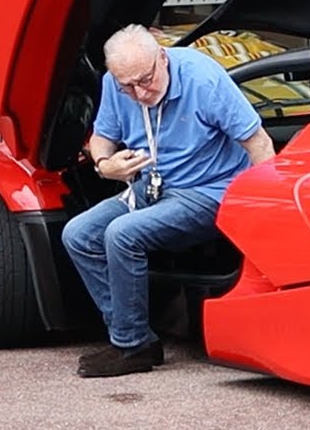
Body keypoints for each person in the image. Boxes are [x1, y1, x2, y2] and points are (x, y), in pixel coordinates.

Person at [62, 23, 275, 378]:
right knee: (78, 234)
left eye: (145, 80)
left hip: (210, 190)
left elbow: (260, 144)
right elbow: (101, 138)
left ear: (162, 58)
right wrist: (105, 164)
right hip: (151, 186)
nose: (139, 93)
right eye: (127, 86)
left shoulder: (203, 79)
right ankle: (132, 333)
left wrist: (266, 211)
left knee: (122, 234)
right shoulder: (117, 82)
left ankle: (131, 347)